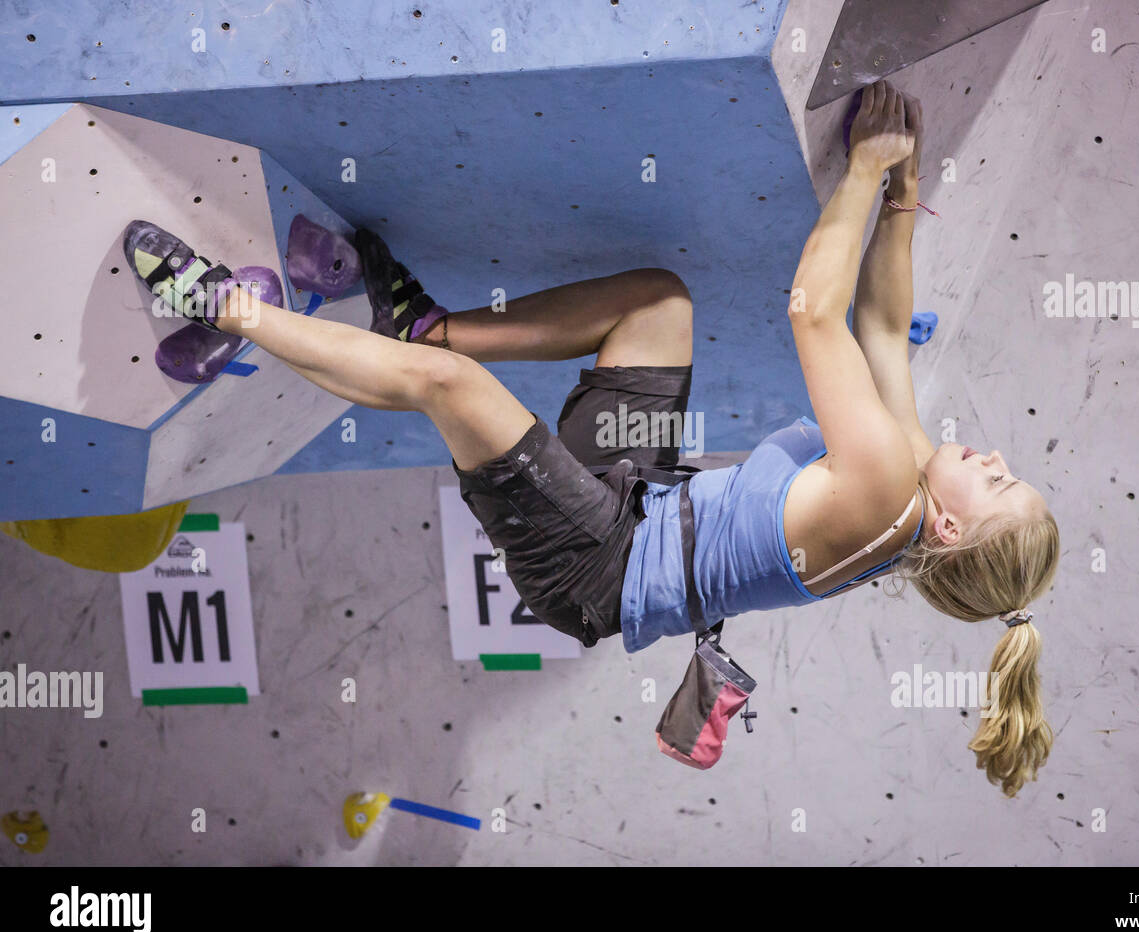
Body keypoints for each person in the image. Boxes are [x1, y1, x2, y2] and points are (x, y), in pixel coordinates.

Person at [123, 79, 1058, 797]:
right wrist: (899, 197)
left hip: (595, 563)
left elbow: (816, 315)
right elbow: (884, 330)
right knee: (656, 305)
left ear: (948, 530)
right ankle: (423, 324)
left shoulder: (886, 494)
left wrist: (857, 171)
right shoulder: (907, 487)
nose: (993, 460)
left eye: (1002, 485)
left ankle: (218, 306)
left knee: (452, 395)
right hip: (638, 498)